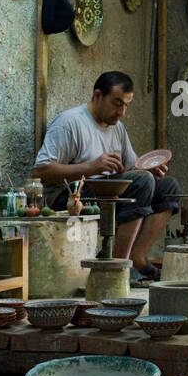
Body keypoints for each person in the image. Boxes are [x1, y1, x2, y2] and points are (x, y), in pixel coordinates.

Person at [32, 71, 178, 283]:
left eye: (126, 105)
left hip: (107, 192)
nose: (122, 112)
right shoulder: (70, 122)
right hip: (71, 194)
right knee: (142, 182)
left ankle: (136, 258)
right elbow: (40, 172)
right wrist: (91, 168)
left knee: (168, 186)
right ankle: (115, 271)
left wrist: (150, 170)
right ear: (97, 95)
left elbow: (132, 169)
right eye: (117, 103)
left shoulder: (116, 127)